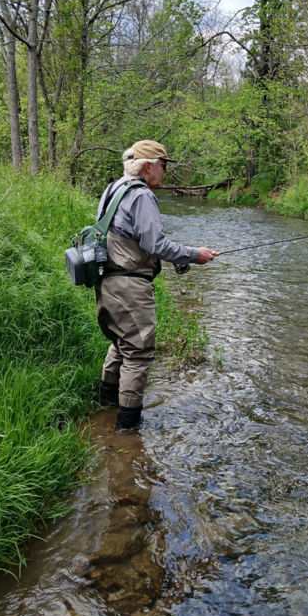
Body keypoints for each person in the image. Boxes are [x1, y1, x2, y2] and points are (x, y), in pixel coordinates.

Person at [95, 140, 217, 430]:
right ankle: (127, 430)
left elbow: (133, 239)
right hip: (130, 287)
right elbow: (154, 243)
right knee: (137, 354)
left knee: (121, 345)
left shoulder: (114, 189)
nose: (165, 172)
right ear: (147, 166)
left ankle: (104, 408)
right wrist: (194, 255)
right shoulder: (142, 196)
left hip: (106, 283)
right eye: (163, 166)